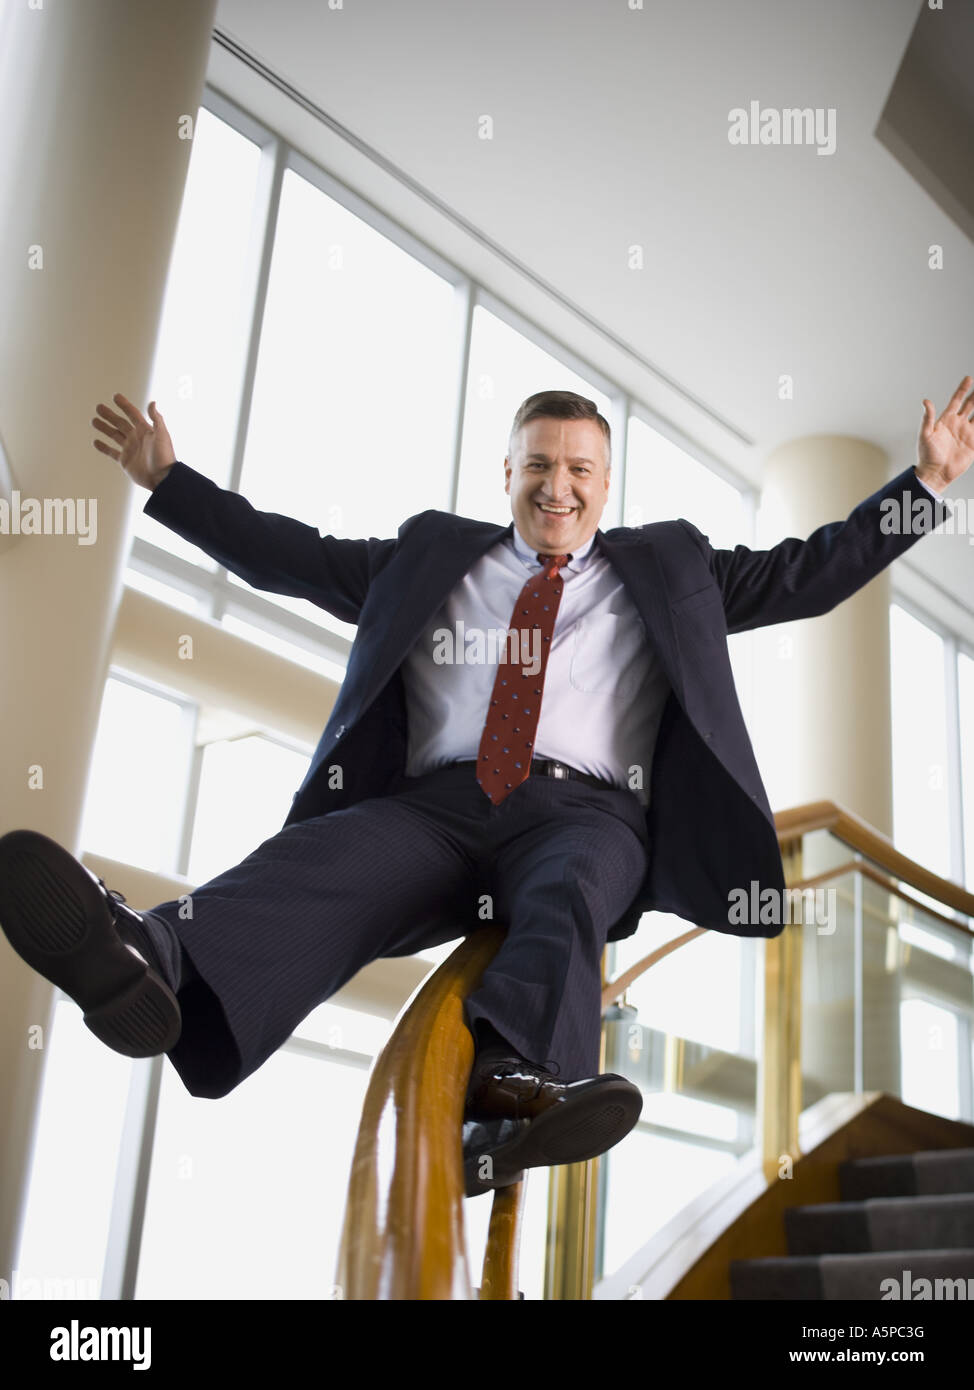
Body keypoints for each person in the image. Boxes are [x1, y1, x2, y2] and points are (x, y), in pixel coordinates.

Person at [1, 380, 971, 1199]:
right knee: (320, 859)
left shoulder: (671, 568)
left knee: (572, 889)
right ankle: (153, 957)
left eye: (578, 470)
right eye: (538, 466)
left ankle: (514, 1085)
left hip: (585, 810)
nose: (557, 487)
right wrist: (168, 482)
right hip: (436, 807)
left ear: (604, 482)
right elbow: (287, 556)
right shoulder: (430, 555)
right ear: (505, 474)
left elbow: (809, 572)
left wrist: (923, 484)